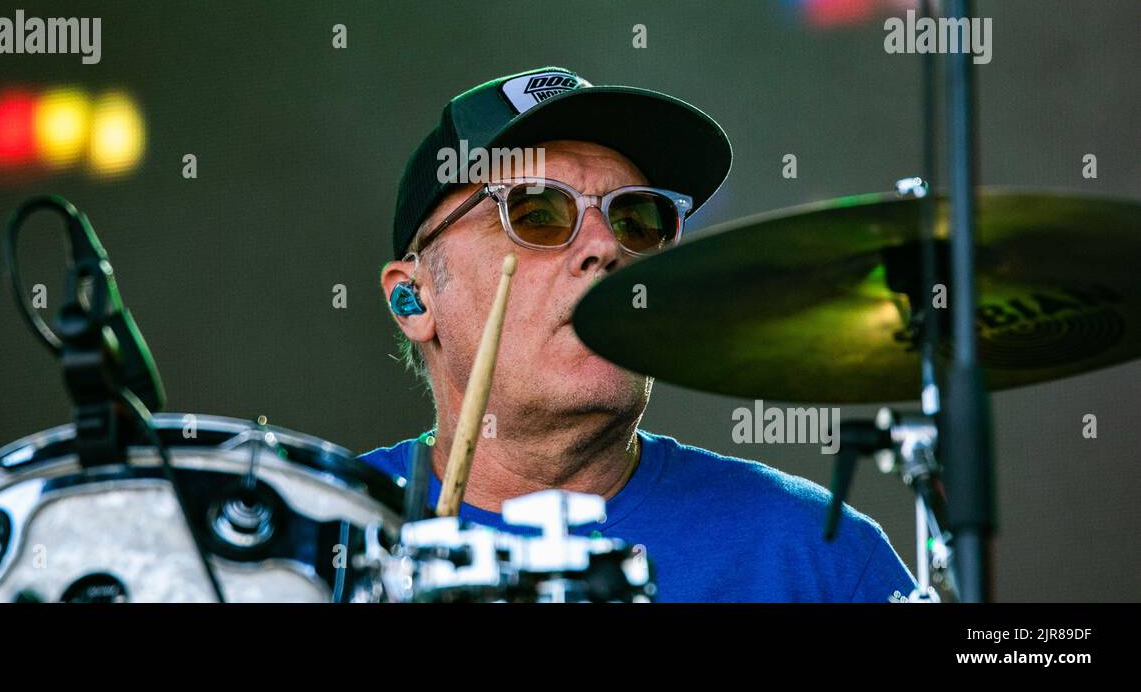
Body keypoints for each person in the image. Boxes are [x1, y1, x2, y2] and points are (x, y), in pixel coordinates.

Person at [361, 66, 917, 602]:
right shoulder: (314, 530)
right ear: (412, 299)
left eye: (638, 221)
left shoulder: (815, 553)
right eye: (536, 211)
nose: (607, 247)